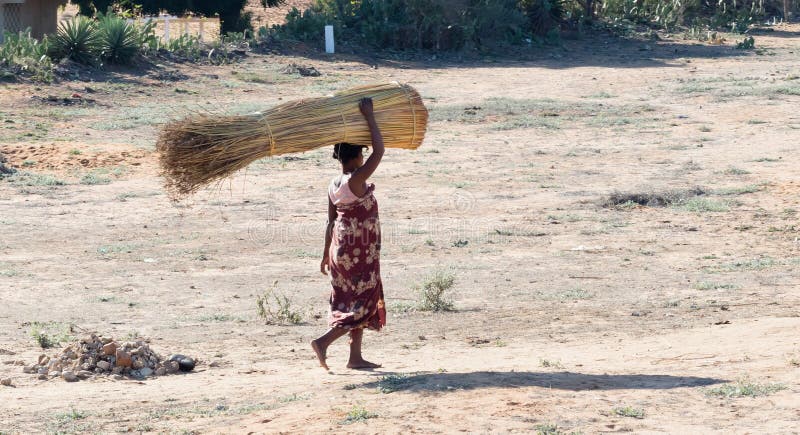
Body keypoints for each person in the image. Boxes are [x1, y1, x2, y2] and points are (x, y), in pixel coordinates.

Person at [311, 97, 386, 370]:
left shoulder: (333, 184)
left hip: (340, 251)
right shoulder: (355, 180)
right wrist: (369, 115)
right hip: (357, 253)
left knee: (353, 298)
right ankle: (323, 342)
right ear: (356, 157)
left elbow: (330, 222)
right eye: (361, 155)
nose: (365, 159)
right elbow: (380, 152)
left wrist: (324, 256)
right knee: (363, 302)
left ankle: (355, 358)